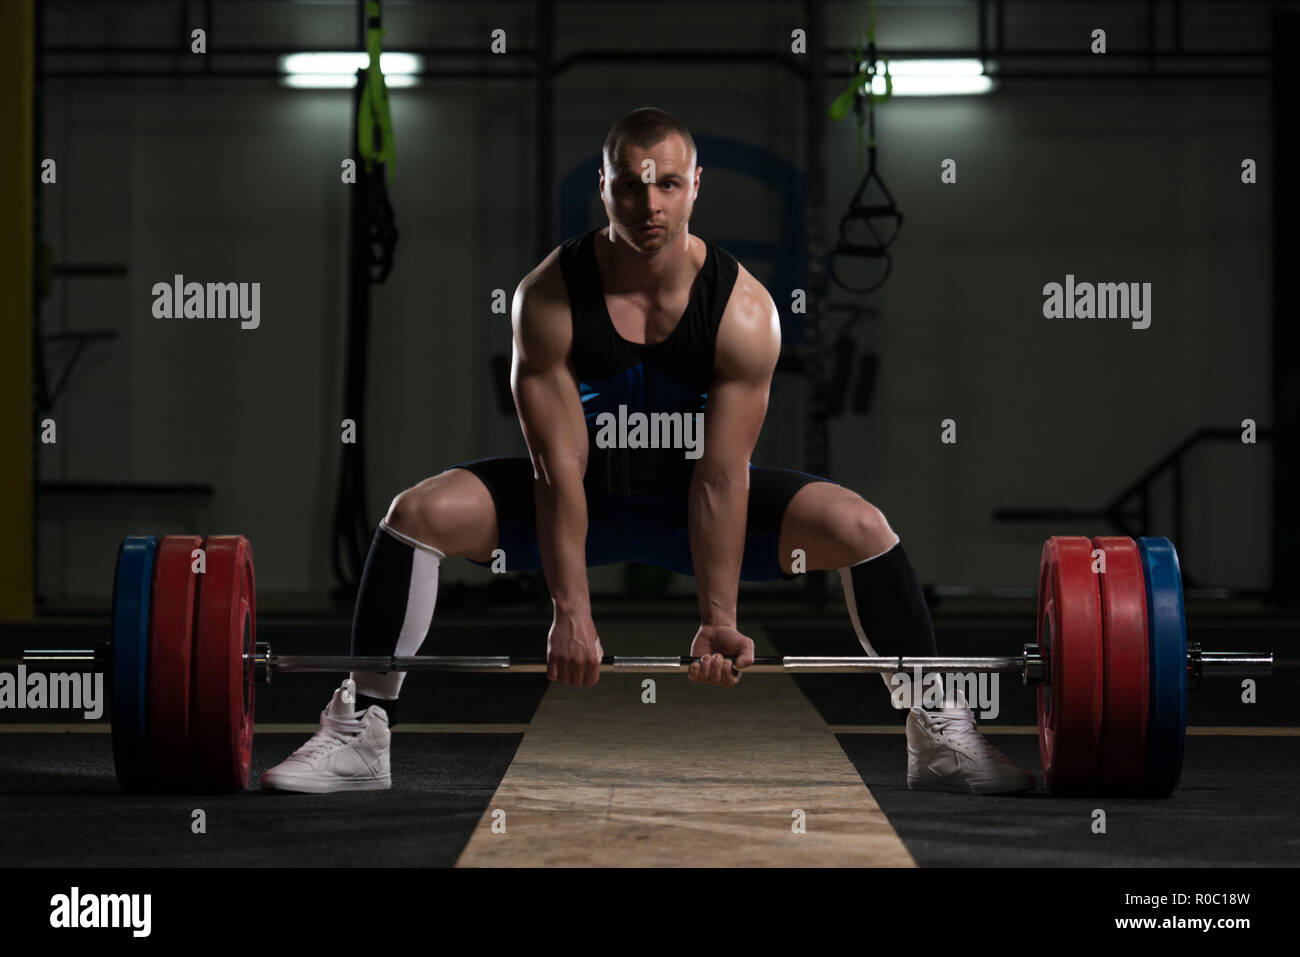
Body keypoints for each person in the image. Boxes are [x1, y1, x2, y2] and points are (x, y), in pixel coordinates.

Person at [260, 107, 1035, 796]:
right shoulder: (551, 296)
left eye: (667, 184)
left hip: (689, 504)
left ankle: (938, 732)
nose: (650, 203)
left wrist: (718, 617)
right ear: (603, 185)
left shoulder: (743, 309)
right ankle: (361, 730)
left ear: (697, 184)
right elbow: (556, 468)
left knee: (864, 528)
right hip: (580, 501)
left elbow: (723, 476)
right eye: (631, 185)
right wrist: (572, 610)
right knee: (415, 514)